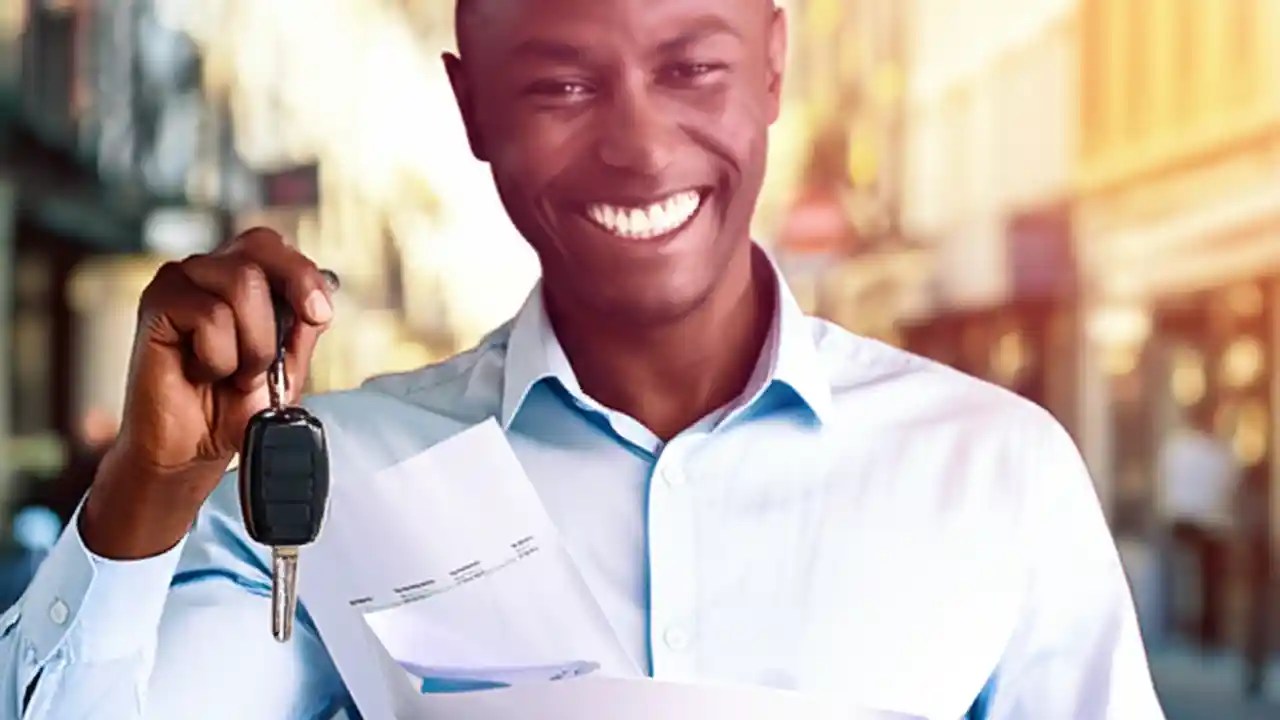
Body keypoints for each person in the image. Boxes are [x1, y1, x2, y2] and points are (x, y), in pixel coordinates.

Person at [0, 1, 1163, 717]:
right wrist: (147, 491)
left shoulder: (995, 472)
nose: (638, 149)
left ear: (771, 66)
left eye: (691, 69)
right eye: (560, 85)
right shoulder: (328, 487)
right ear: (472, 108)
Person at [1156, 401, 1239, 651]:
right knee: (1208, 583)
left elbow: (1165, 483)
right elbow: (1228, 487)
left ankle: (1182, 629)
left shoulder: (1176, 447)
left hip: (1181, 520)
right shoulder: (1217, 452)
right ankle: (1207, 634)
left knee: (1185, 580)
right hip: (1209, 524)